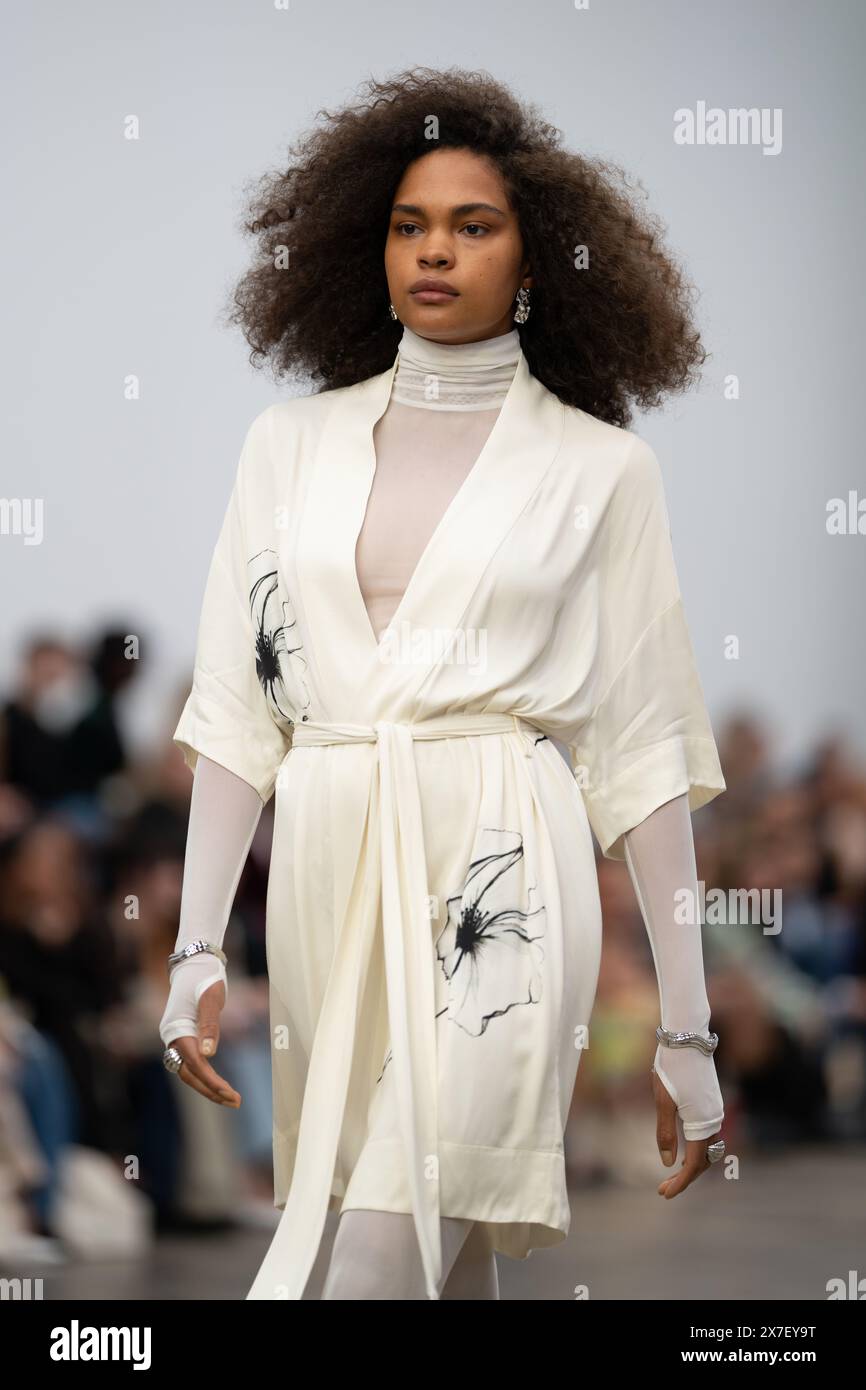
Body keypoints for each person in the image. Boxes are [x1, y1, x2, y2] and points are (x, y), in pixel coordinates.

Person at [159, 67, 727, 1301]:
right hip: (325, 853)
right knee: (434, 1252)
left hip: (502, 862)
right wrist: (195, 949)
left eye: (474, 225)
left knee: (376, 1249)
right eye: (409, 224)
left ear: (535, 259)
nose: (435, 250)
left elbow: (643, 751)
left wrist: (683, 1030)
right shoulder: (287, 446)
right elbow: (236, 715)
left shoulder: (600, 470)